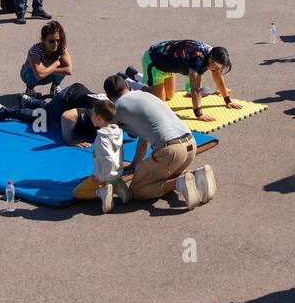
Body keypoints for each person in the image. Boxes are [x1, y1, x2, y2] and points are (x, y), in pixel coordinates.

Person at [103, 74, 216, 208]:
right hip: (191, 144)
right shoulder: (145, 95)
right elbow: (144, 137)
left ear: (108, 96)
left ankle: (178, 183)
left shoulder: (116, 109)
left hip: (170, 151)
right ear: (127, 86)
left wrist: (112, 172)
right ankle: (196, 175)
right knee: (163, 176)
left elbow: (111, 140)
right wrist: (135, 163)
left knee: (137, 190)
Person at [141, 40, 242, 122]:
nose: (217, 69)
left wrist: (227, 100)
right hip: (155, 62)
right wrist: (199, 114)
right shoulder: (197, 60)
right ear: (211, 60)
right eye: (216, 67)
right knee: (159, 104)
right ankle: (137, 86)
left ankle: (146, 81)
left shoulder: (214, 54)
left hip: (168, 63)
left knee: (169, 96)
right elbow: (195, 89)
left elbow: (218, 79)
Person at [0, 80, 107, 146]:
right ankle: (3, 111)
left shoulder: (109, 106)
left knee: (48, 109)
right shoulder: (92, 112)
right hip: (65, 100)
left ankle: (29, 101)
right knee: (43, 117)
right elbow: (67, 116)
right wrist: (70, 140)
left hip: (75, 91)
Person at [88, 98, 127, 214]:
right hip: (117, 173)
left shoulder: (102, 138)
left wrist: (101, 178)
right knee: (114, 180)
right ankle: (119, 187)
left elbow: (109, 160)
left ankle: (103, 191)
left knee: (78, 192)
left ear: (99, 118)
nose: (90, 116)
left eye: (92, 114)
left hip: (106, 177)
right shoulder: (117, 132)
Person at [21, 20, 72, 96]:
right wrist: (56, 63)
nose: (55, 44)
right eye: (51, 41)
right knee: (31, 70)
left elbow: (69, 70)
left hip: (46, 75)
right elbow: (39, 75)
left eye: (57, 40)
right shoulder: (35, 51)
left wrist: (46, 69)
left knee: (63, 65)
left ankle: (55, 87)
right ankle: (30, 89)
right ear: (43, 40)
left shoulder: (61, 48)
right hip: (31, 76)